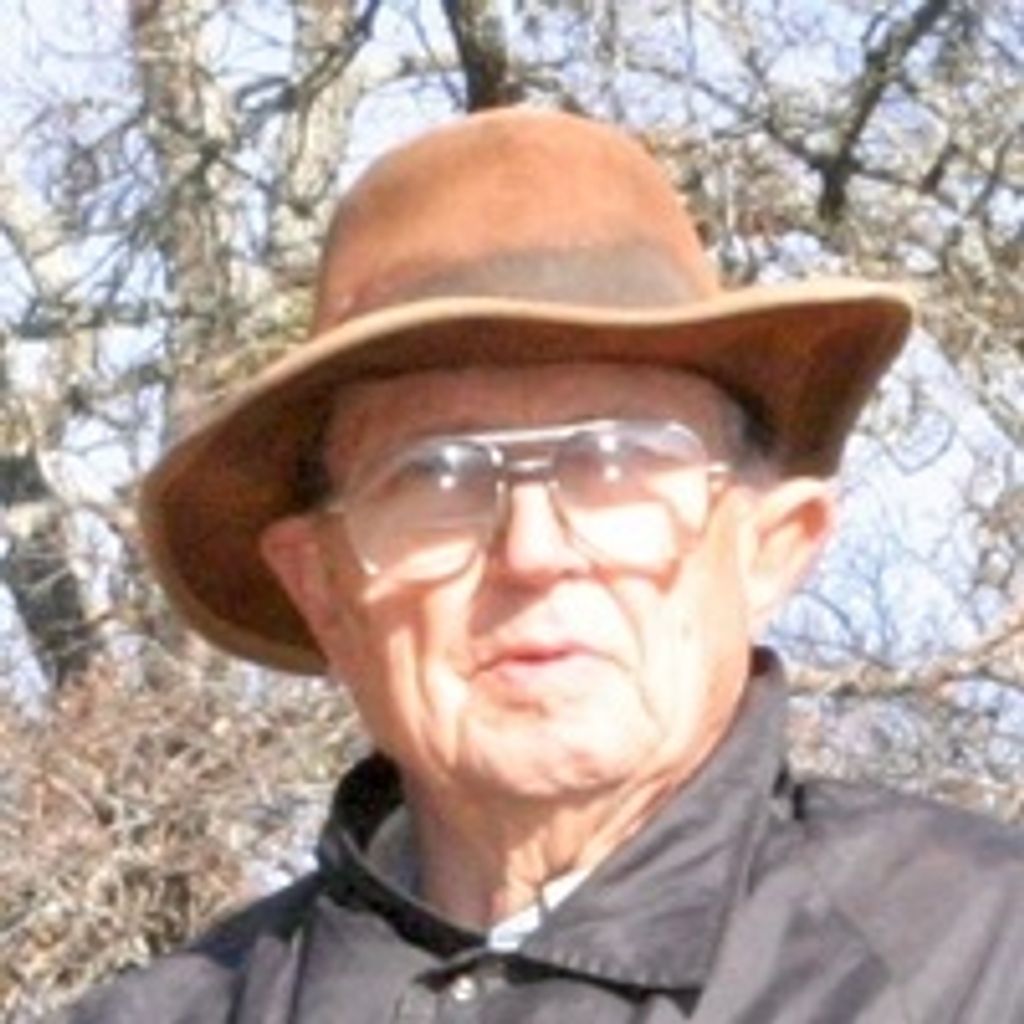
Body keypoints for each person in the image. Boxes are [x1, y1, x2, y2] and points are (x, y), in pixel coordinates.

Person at [63, 108, 1022, 1023]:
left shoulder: (981, 963)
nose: (532, 551)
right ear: (322, 587)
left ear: (770, 547)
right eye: (437, 477)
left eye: (617, 465)